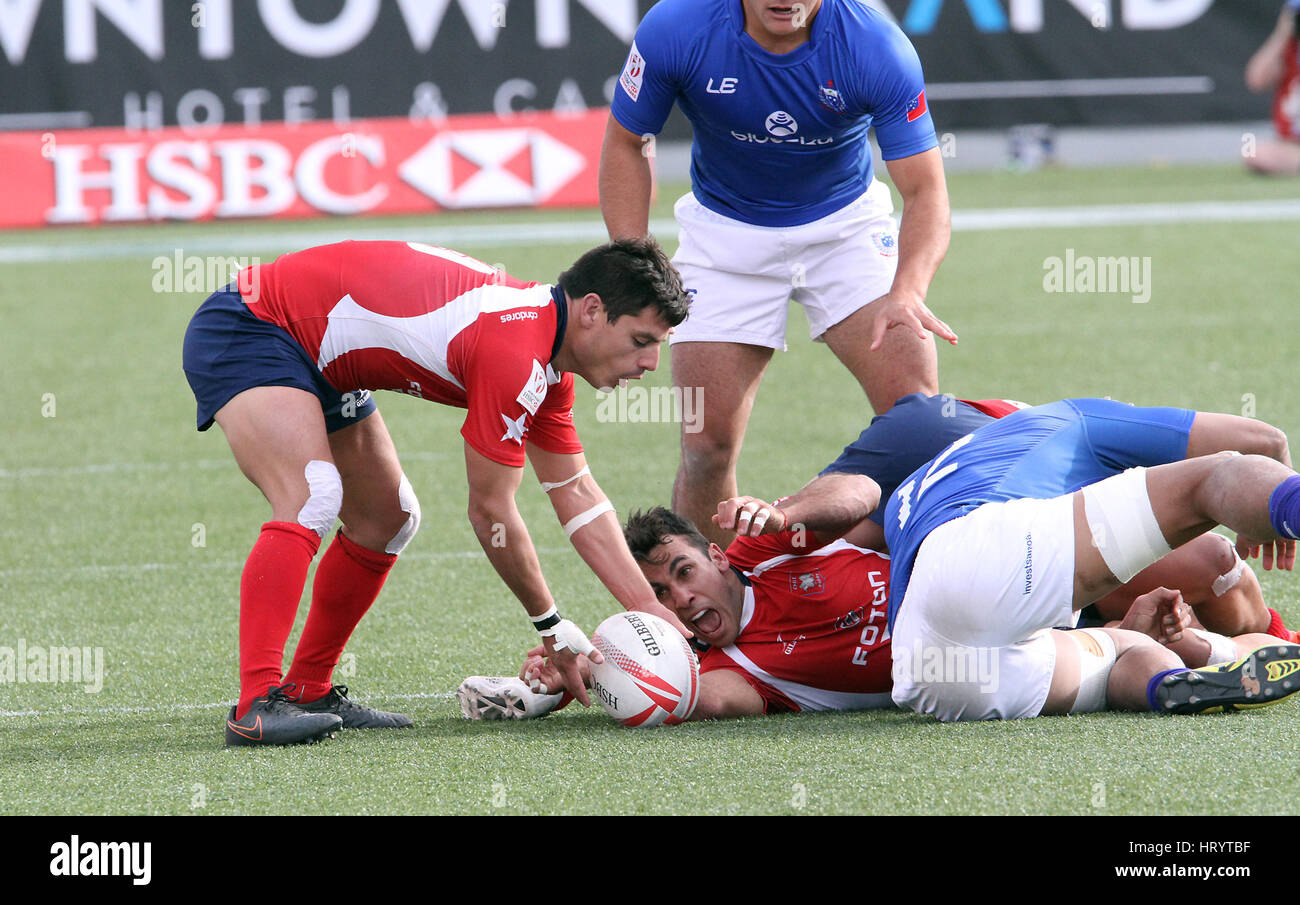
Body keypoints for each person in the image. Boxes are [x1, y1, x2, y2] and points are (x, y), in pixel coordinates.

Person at [182, 238, 691, 746]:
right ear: (593, 310)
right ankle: (256, 707)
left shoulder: (549, 364)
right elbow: (489, 510)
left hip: (318, 355)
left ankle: (308, 688)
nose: (649, 363)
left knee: (389, 518)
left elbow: (575, 492)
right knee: (312, 495)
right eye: (641, 340)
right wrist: (551, 626)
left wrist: (647, 606)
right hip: (254, 325)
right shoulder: (515, 351)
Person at [601, 0, 956, 547]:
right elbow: (627, 141)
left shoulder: (877, 46)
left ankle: (896, 588)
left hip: (846, 231)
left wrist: (907, 289)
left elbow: (926, 190)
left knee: (919, 421)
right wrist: (634, 258)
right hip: (724, 236)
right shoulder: (677, 26)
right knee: (706, 446)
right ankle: (710, 616)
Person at [459, 492, 1291, 722]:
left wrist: (788, 508)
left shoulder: (785, 540)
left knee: (1216, 561)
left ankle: (1270, 642)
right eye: (664, 594)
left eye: (684, 571)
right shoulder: (729, 674)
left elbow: (868, 492)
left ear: (714, 557)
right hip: (1006, 655)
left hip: (1014, 584)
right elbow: (664, 695)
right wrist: (579, 672)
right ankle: (1202, 657)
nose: (684, 599)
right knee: (1141, 654)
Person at [883, 398, 1300, 721]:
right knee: (1218, 475)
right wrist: (1268, 509)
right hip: (978, 557)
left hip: (927, 668)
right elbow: (1265, 442)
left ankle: (1168, 683)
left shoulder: (915, 488)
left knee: (1121, 652)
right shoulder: (1070, 418)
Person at [1245, 0, 1300, 175]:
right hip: (1292, 145)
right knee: (1253, 151)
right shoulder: (1289, 49)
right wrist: (1282, 33)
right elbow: (1256, 80)